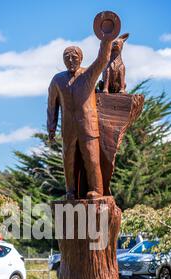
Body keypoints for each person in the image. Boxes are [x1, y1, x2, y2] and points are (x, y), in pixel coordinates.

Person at [47, 38, 112, 200]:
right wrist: (51, 128)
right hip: (68, 127)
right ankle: (70, 191)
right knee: (67, 159)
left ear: (81, 58)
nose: (70, 61)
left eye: (74, 57)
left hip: (88, 125)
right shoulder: (57, 80)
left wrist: (106, 39)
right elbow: (51, 106)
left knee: (91, 158)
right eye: (67, 58)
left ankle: (96, 190)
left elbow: (103, 59)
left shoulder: (88, 74)